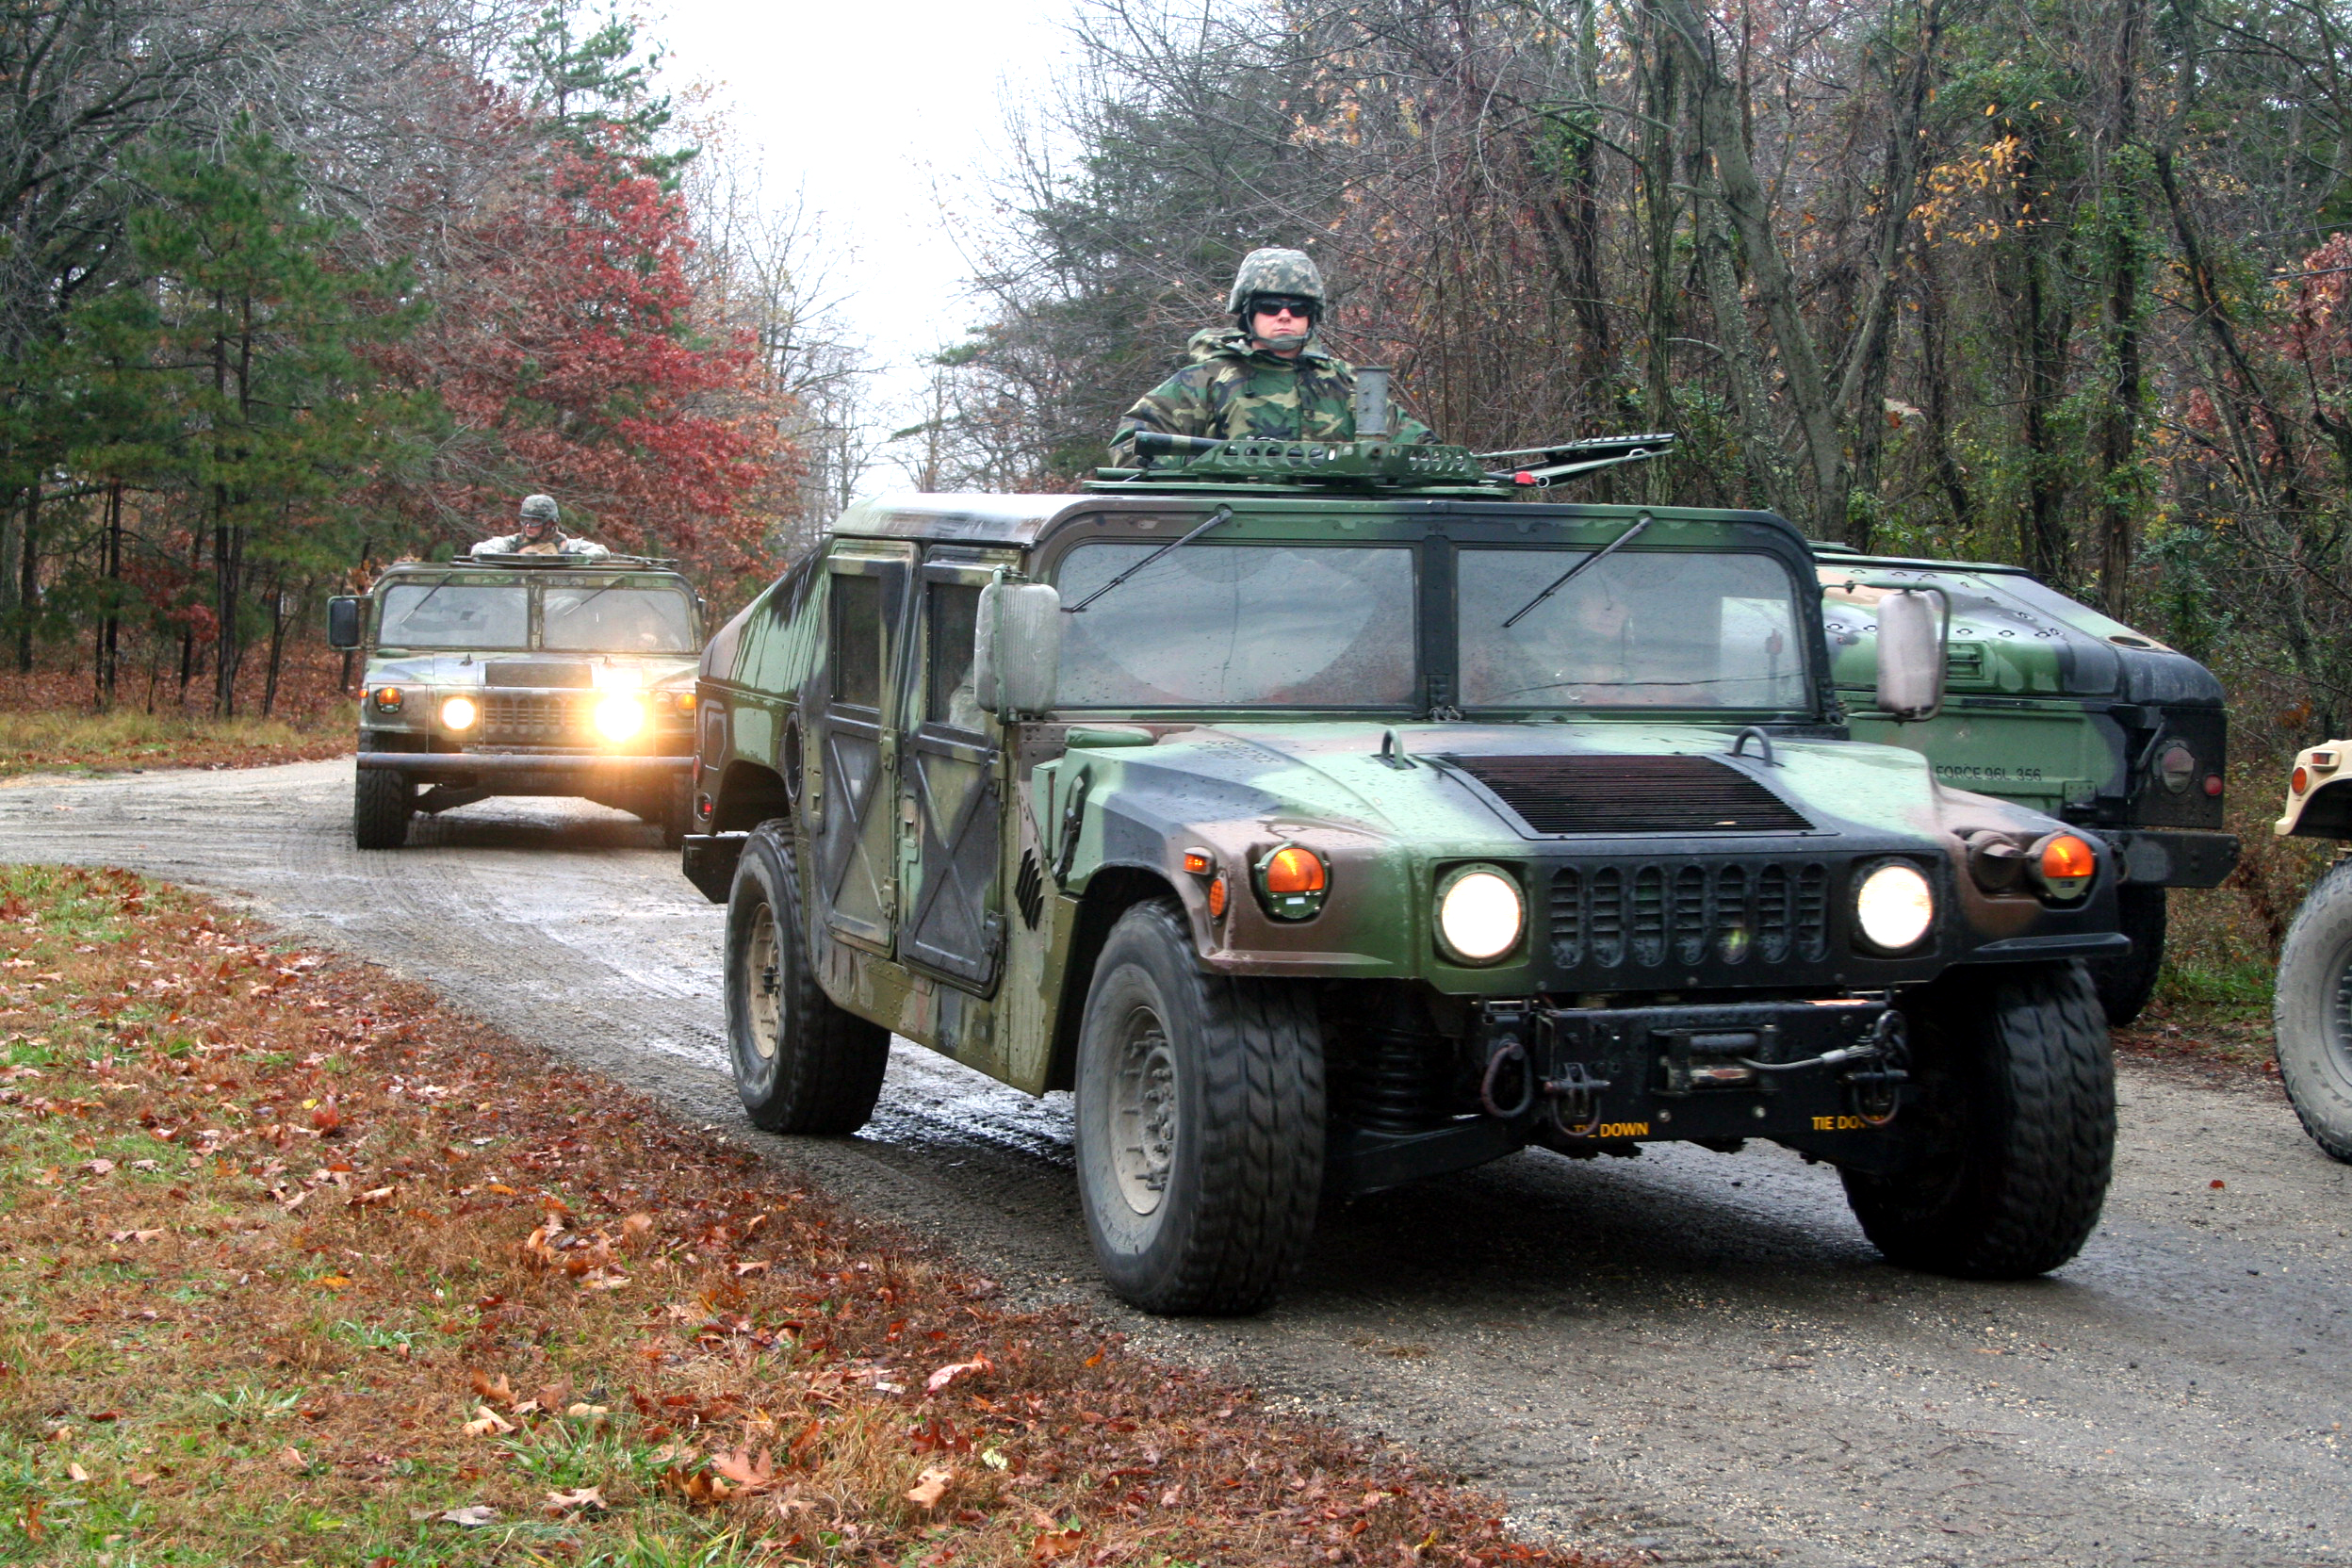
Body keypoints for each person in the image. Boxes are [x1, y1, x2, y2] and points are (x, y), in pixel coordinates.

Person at [1109, 248, 1436, 463]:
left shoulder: (1346, 384)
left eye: (1298, 308)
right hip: (1229, 531)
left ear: (1311, 317)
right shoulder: (1204, 381)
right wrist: (1203, 473)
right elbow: (1131, 445)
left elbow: (1423, 451)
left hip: (1340, 538)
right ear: (1248, 315)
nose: (1284, 316)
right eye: (1269, 306)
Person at [472, 494, 609, 557]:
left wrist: (574, 556)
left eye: (534, 521)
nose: (527, 526)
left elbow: (602, 551)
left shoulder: (568, 546)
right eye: (524, 520)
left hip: (557, 598)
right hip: (517, 599)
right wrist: (504, 557)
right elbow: (478, 550)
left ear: (550, 522)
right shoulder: (513, 543)